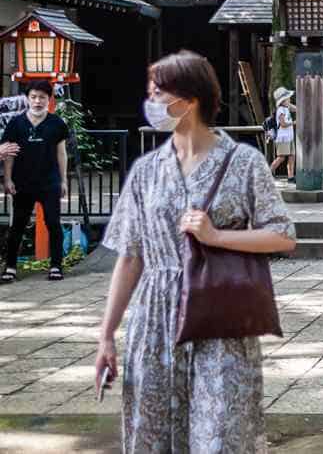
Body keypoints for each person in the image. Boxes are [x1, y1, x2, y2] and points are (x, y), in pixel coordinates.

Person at [93, 50, 296, 452]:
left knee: (220, 434)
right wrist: (106, 337)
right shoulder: (147, 171)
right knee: (152, 432)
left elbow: (282, 235)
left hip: (219, 317)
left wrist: (216, 237)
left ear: (190, 99)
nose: (151, 102)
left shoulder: (243, 162)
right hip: (155, 319)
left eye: (159, 93)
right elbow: (130, 257)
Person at [2, 81, 69, 283]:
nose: (37, 101)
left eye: (42, 97)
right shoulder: (16, 123)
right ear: (27, 98)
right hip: (23, 181)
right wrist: (8, 179)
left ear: (49, 99)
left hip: (49, 181)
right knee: (18, 225)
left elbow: (61, 153)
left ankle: (56, 265)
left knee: (53, 223)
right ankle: (10, 267)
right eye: (33, 97)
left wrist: (64, 180)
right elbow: (9, 154)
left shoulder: (57, 123)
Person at [267, 87, 295, 183]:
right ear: (282, 101)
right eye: (287, 98)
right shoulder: (281, 110)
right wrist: (293, 123)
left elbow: (295, 108)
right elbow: (283, 124)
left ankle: (291, 176)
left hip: (289, 137)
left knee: (292, 156)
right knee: (281, 157)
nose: (289, 99)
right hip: (283, 138)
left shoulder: (286, 108)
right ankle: (268, 172)